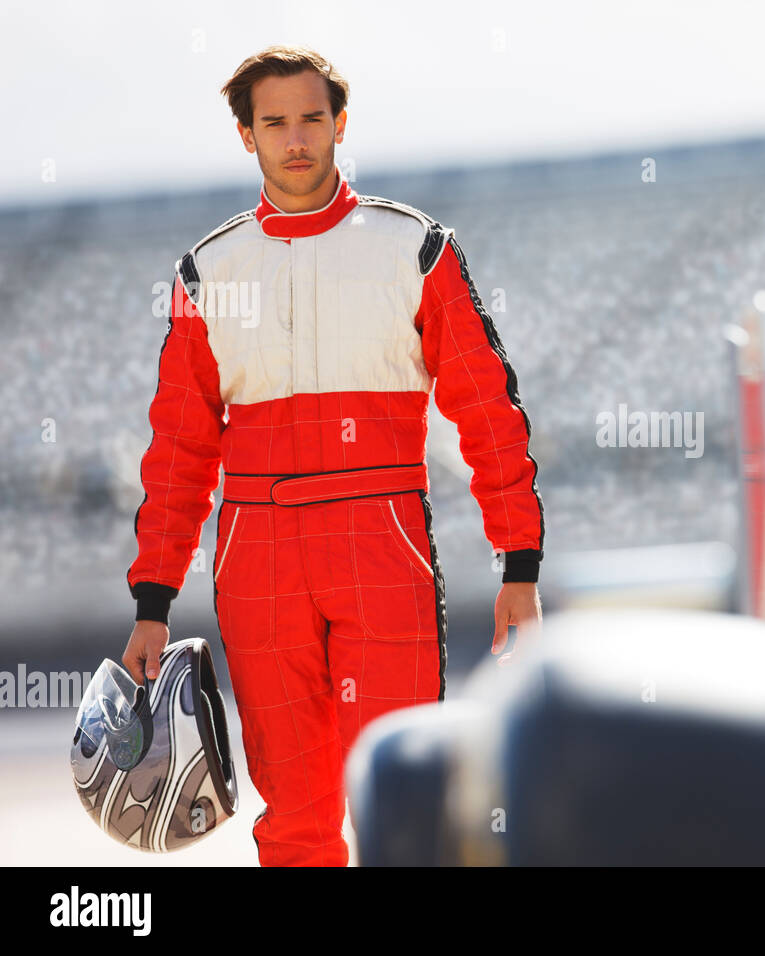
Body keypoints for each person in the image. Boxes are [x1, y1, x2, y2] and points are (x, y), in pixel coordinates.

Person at [120, 45, 545, 866]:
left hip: (380, 542)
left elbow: (489, 412)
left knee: (410, 797)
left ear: (340, 122)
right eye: (274, 122)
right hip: (258, 560)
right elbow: (178, 447)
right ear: (246, 135)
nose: (297, 138)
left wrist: (518, 566)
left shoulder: (416, 248)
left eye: (312, 118)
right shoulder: (207, 272)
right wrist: (152, 598)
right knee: (295, 819)